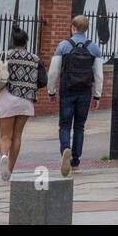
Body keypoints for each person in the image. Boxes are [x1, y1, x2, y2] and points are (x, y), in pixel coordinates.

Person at [0, 27, 46, 181]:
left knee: (5, 136)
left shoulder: (5, 56)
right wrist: (29, 85)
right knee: (17, 136)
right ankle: (9, 169)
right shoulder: (35, 59)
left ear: (12, 41)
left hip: (8, 98)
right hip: (26, 102)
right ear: (26, 42)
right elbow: (43, 81)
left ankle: (4, 156)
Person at [47, 14, 103, 177]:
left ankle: (66, 148)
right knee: (79, 126)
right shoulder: (94, 48)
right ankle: (76, 159)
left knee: (65, 124)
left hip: (67, 90)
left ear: (72, 28)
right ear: (86, 29)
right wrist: (97, 96)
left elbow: (53, 72)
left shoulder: (63, 46)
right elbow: (99, 75)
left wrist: (51, 91)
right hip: (84, 91)